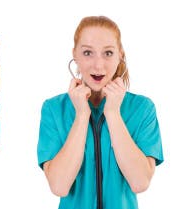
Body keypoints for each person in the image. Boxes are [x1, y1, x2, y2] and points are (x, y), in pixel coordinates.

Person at [37, 16, 163, 209]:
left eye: (108, 53)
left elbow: (140, 182)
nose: (98, 65)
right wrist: (81, 115)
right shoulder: (54, 109)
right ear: (75, 55)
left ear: (120, 55)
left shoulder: (142, 108)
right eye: (87, 52)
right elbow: (59, 186)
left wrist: (113, 113)